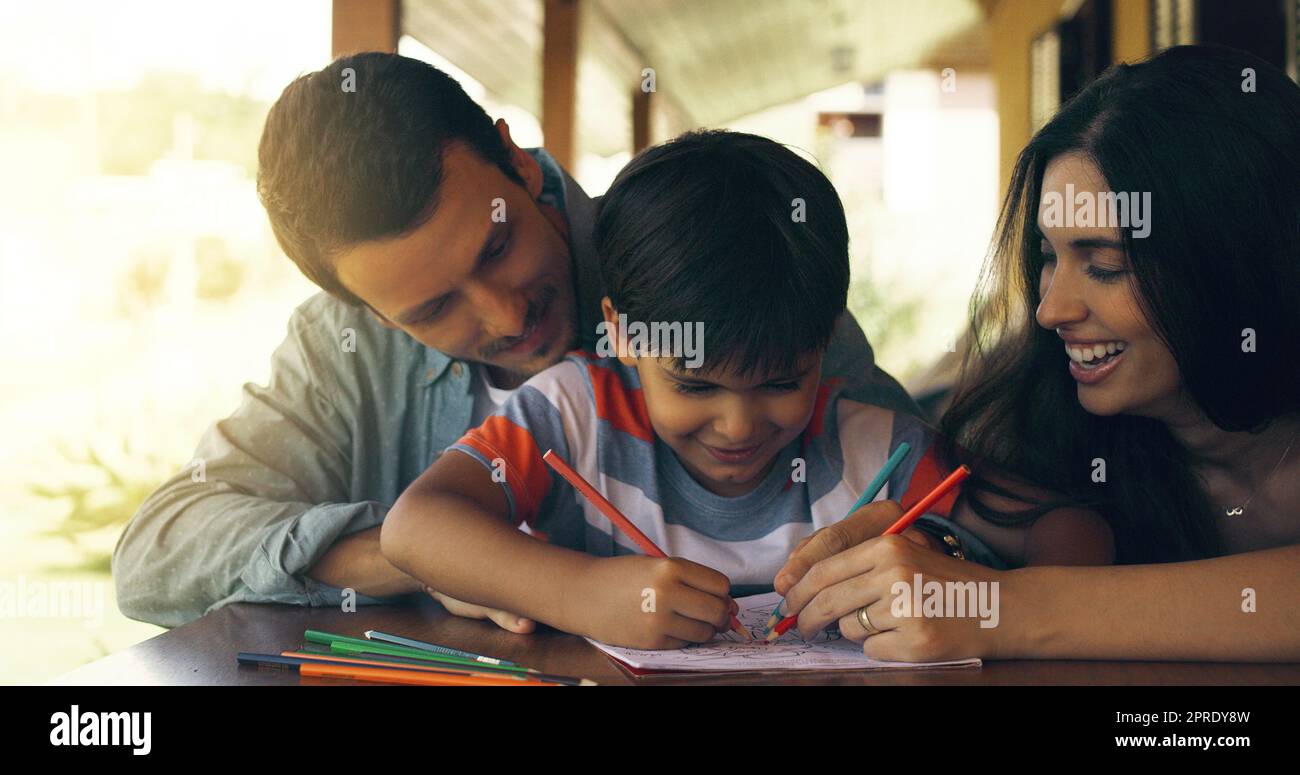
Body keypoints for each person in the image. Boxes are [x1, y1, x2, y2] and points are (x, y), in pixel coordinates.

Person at [111, 53, 917, 628]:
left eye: (495, 248)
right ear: (373, 315)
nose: (502, 316)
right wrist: (417, 556)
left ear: (516, 162)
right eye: (431, 310)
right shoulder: (342, 349)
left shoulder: (714, 271)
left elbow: (905, 491)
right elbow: (156, 552)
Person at [380, 130, 1114, 650]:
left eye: (780, 381)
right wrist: (583, 595)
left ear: (826, 341)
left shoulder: (871, 448)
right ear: (622, 331)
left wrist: (953, 575)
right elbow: (417, 526)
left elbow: (1078, 535)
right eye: (694, 383)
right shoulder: (573, 416)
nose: (737, 424)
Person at [773, 45, 1300, 662]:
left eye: (1105, 265)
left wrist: (1004, 607)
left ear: (1238, 263)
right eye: (1048, 257)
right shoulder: (1037, 431)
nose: (1051, 310)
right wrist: (949, 556)